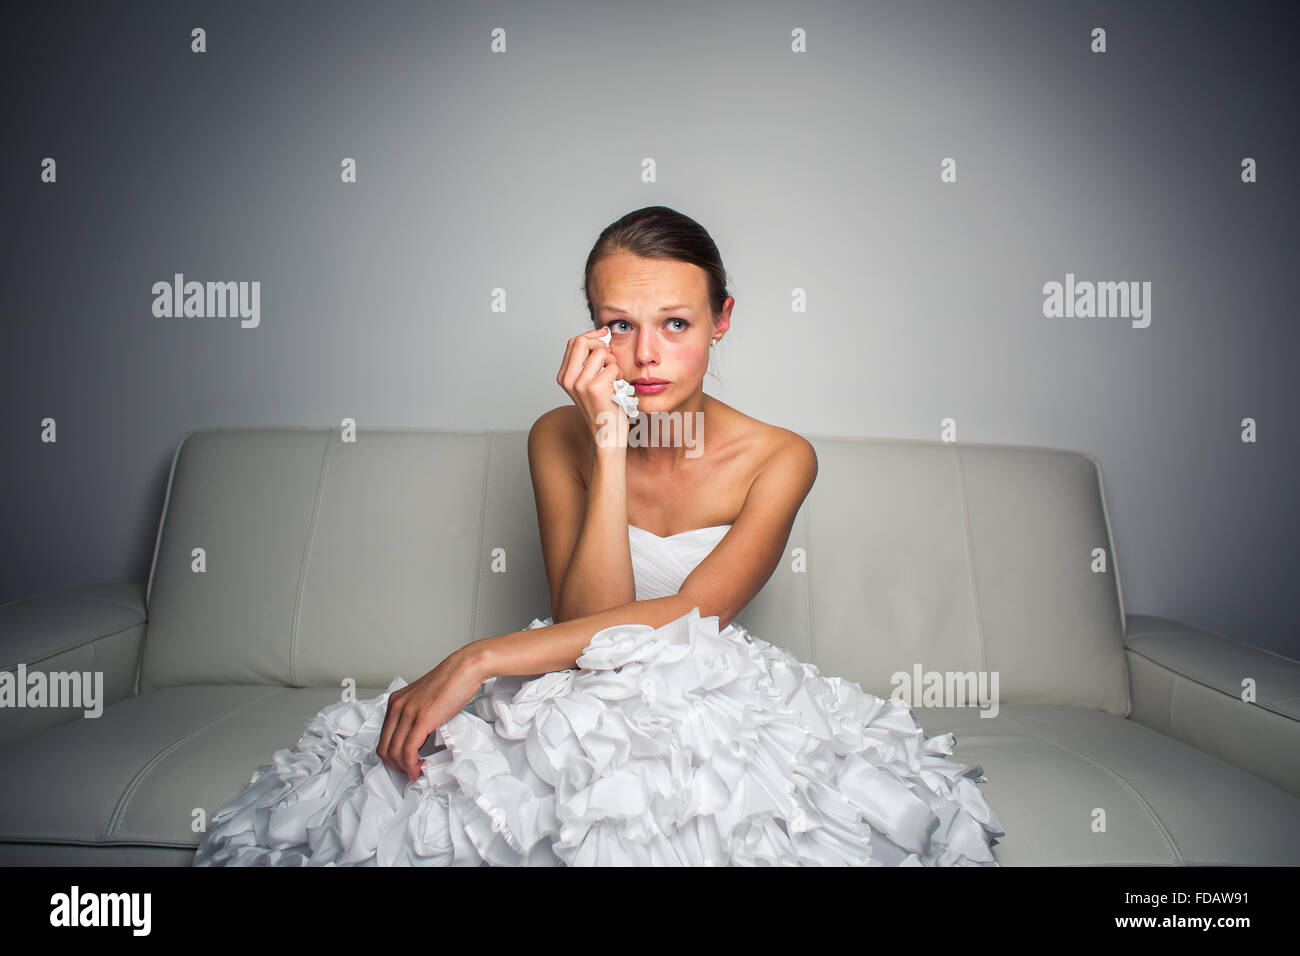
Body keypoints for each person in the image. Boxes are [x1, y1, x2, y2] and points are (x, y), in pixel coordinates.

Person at [192, 205, 1006, 866]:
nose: (646, 356)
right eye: (618, 325)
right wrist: (610, 441)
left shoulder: (781, 456)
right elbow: (590, 620)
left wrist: (479, 656)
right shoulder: (558, 435)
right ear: (590, 330)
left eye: (677, 324)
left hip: (703, 687)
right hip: (570, 682)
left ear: (723, 320)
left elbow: (692, 617)